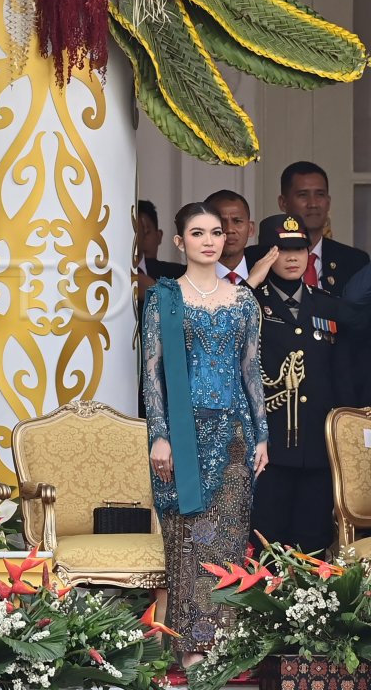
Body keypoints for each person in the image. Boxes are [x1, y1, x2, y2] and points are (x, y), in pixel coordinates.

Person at [142, 202, 269, 668]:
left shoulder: (242, 300)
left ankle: (224, 646)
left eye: (216, 232)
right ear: (180, 242)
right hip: (182, 431)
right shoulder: (164, 298)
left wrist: (262, 436)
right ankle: (190, 648)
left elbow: (251, 372)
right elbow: (152, 373)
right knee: (190, 539)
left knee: (228, 541)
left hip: (235, 432)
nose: (210, 240)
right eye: (198, 233)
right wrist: (160, 434)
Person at [245, 214, 350, 556]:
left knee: (314, 543)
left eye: (299, 248)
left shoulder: (329, 305)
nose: (292, 257)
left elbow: (344, 374)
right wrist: (250, 283)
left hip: (318, 448)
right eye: (282, 249)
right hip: (268, 449)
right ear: (266, 254)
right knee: (264, 544)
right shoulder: (249, 304)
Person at [264, 161, 369, 295]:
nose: (313, 204)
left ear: (328, 202)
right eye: (303, 195)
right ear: (283, 203)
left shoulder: (355, 262)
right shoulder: (262, 260)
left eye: (320, 194)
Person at [203, 190, 255, 284]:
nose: (230, 230)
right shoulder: (186, 282)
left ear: (250, 229)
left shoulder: (268, 277)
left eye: (237, 221)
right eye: (221, 222)